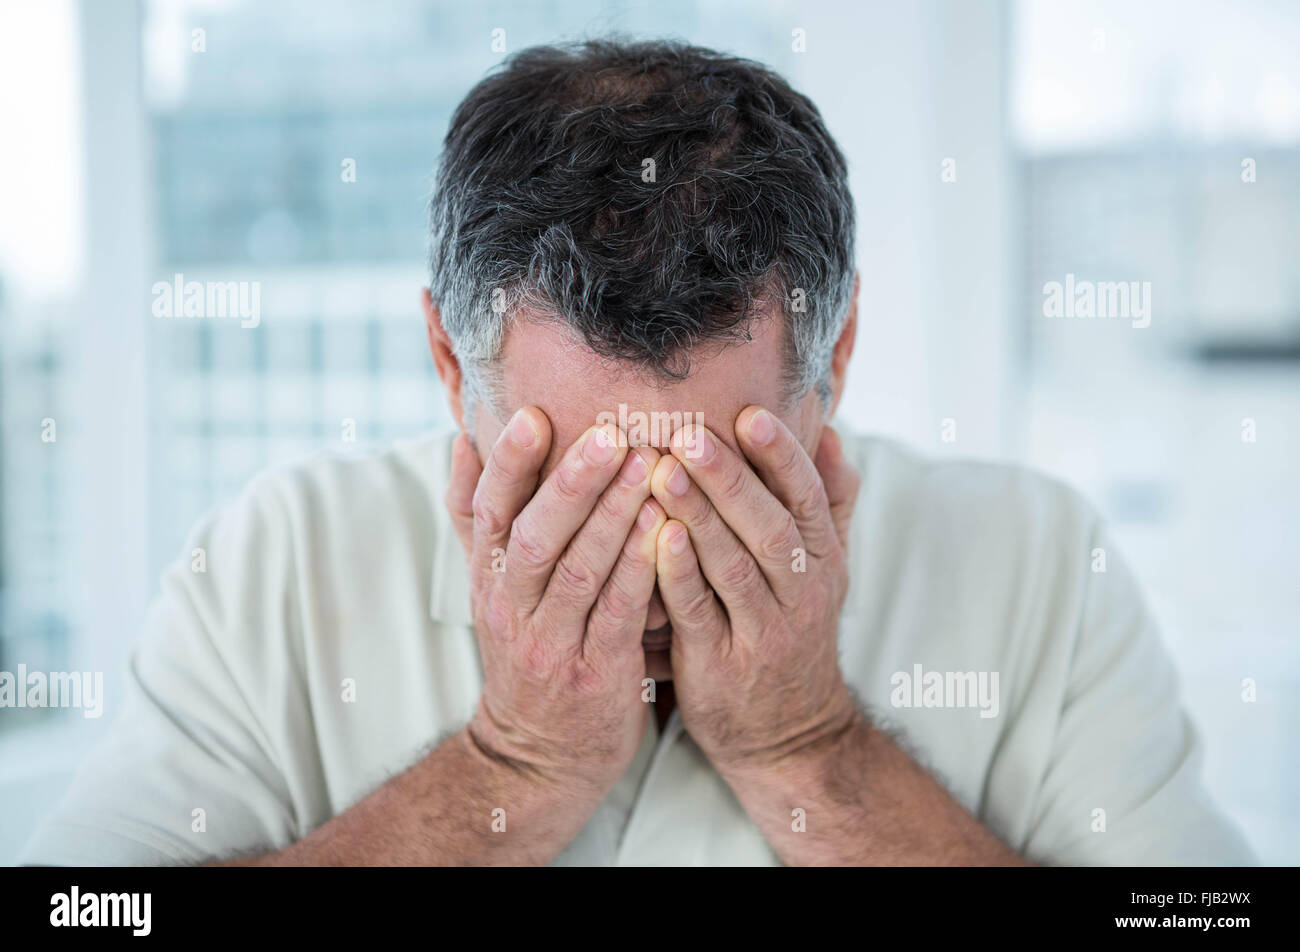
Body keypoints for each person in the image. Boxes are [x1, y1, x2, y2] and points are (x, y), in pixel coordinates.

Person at [22, 38, 1253, 866]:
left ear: (839, 354)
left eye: (718, 483)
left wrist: (810, 749)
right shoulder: (275, 560)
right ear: (453, 368)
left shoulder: (1035, 560)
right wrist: (509, 769)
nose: (653, 563)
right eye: (579, 484)